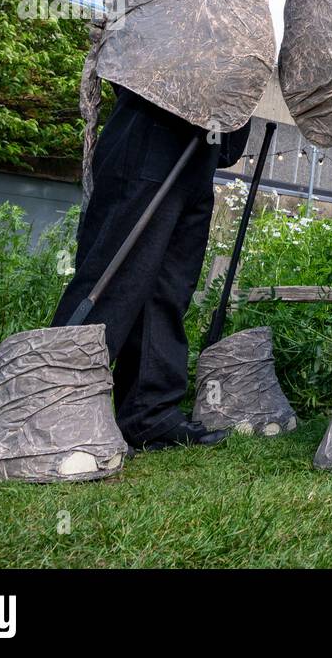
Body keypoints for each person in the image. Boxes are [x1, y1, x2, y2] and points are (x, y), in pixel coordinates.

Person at [52, 86, 250, 451]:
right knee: (115, 275)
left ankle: (149, 414)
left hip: (198, 147)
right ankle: (54, 402)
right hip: (151, 126)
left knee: (168, 286)